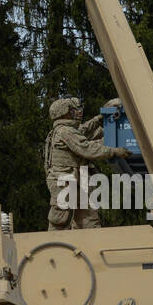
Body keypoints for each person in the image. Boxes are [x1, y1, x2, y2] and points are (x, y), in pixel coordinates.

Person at [44, 98, 130, 230]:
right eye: (73, 110)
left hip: (76, 182)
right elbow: (87, 148)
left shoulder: (65, 130)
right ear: (64, 113)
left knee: (88, 220)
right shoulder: (65, 131)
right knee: (60, 220)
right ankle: (54, 249)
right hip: (65, 184)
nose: (78, 112)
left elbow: (83, 130)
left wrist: (98, 119)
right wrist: (113, 151)